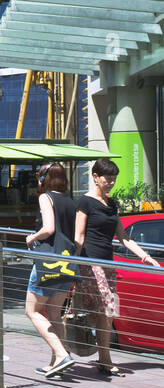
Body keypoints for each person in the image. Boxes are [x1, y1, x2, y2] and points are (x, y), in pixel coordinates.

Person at [73, 158, 159, 376]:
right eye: (107, 178)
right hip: (90, 263)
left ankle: (103, 358)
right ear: (95, 177)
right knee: (104, 307)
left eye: (113, 179)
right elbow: (79, 236)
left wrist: (146, 257)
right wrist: (74, 263)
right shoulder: (85, 202)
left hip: (107, 264)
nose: (111, 182)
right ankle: (95, 358)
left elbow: (123, 237)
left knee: (107, 311)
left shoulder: (111, 205)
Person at [23, 163, 78, 377]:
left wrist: (32, 237)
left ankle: (62, 354)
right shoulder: (70, 201)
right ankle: (57, 362)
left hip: (48, 263)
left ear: (44, 178)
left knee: (32, 311)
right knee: (55, 313)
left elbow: (49, 229)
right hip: (67, 263)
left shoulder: (46, 198)